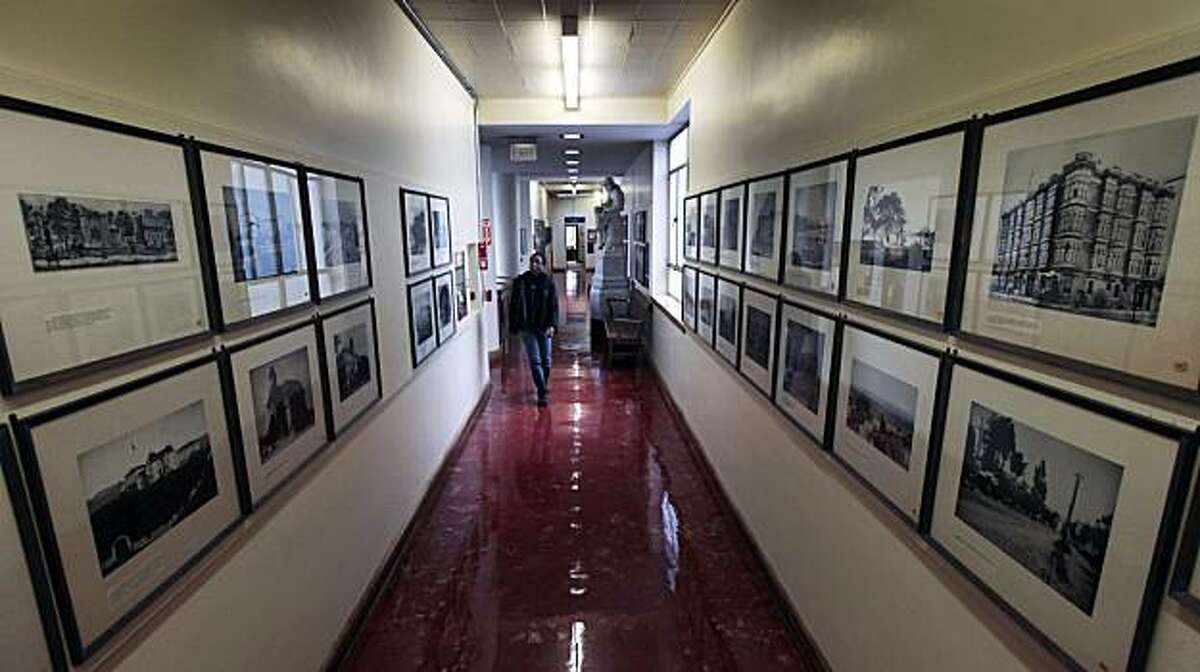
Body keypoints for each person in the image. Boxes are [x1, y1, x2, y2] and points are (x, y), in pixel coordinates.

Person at [509, 252, 559, 405]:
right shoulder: (520, 282)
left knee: (546, 361)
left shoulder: (548, 282)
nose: (533, 265)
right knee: (535, 361)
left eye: (537, 262)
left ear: (543, 265)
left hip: (544, 326)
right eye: (532, 262)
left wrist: (553, 325)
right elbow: (513, 305)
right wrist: (514, 326)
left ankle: (543, 383)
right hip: (527, 327)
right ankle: (541, 392)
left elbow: (554, 305)